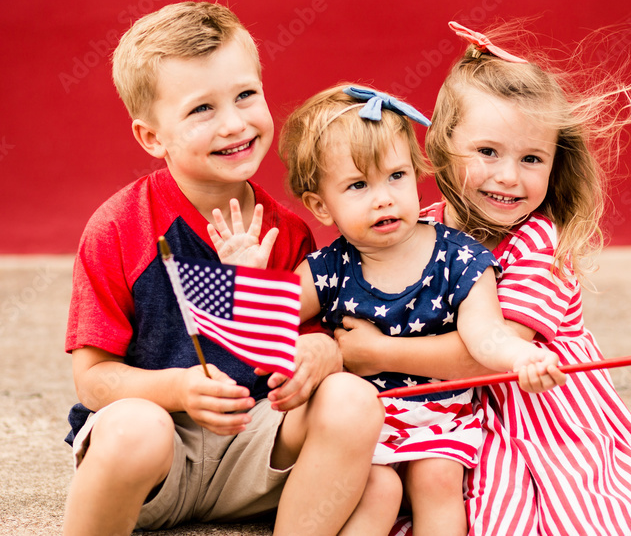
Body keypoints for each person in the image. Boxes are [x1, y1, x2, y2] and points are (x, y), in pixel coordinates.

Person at [61, 1, 385, 536]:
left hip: (256, 452)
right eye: (202, 109)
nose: (234, 123)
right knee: (134, 429)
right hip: (156, 462)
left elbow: (313, 337)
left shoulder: (287, 232)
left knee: (352, 400)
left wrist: (319, 354)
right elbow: (93, 381)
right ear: (152, 137)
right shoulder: (118, 228)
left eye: (245, 95)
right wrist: (180, 389)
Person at [335, 21, 631, 535]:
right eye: (488, 152)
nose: (509, 176)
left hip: (530, 413)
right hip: (438, 408)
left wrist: (377, 353)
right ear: (442, 145)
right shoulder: (420, 229)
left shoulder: (539, 245)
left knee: (519, 511)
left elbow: (484, 356)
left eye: (531, 159)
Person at [210, 84, 567, 536]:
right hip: (364, 423)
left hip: (440, 415)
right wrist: (243, 279)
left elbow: (487, 334)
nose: (383, 198)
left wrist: (522, 357)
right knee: (375, 488)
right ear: (321, 206)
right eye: (358, 185)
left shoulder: (460, 257)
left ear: (415, 175)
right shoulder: (328, 268)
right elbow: (262, 324)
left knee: (437, 478)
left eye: (396, 176)